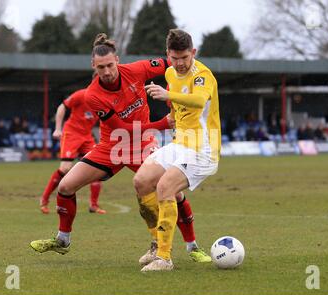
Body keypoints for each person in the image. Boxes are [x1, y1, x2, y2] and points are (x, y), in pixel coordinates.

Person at [30, 33, 212, 264]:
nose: (106, 72)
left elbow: (172, 63)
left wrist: (176, 91)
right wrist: (162, 124)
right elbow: (123, 129)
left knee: (173, 192)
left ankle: (192, 247)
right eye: (101, 67)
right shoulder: (92, 95)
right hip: (111, 146)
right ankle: (63, 240)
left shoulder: (137, 70)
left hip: (143, 143)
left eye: (110, 65)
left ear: (117, 59)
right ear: (93, 66)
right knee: (66, 186)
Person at [134, 29, 221, 271]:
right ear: (167, 55)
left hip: (203, 148)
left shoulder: (202, 74)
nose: (180, 63)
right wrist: (171, 114)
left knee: (164, 187)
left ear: (193, 52)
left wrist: (166, 94)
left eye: (185, 57)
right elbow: (175, 102)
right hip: (180, 143)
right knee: (141, 181)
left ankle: (165, 257)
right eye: (175, 58)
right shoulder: (169, 72)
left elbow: (198, 100)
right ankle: (156, 243)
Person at [39, 89, 105, 215]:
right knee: (65, 168)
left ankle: (94, 205)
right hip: (71, 133)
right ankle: (44, 199)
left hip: (87, 136)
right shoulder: (81, 95)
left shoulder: (103, 100)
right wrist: (58, 129)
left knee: (98, 168)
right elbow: (62, 107)